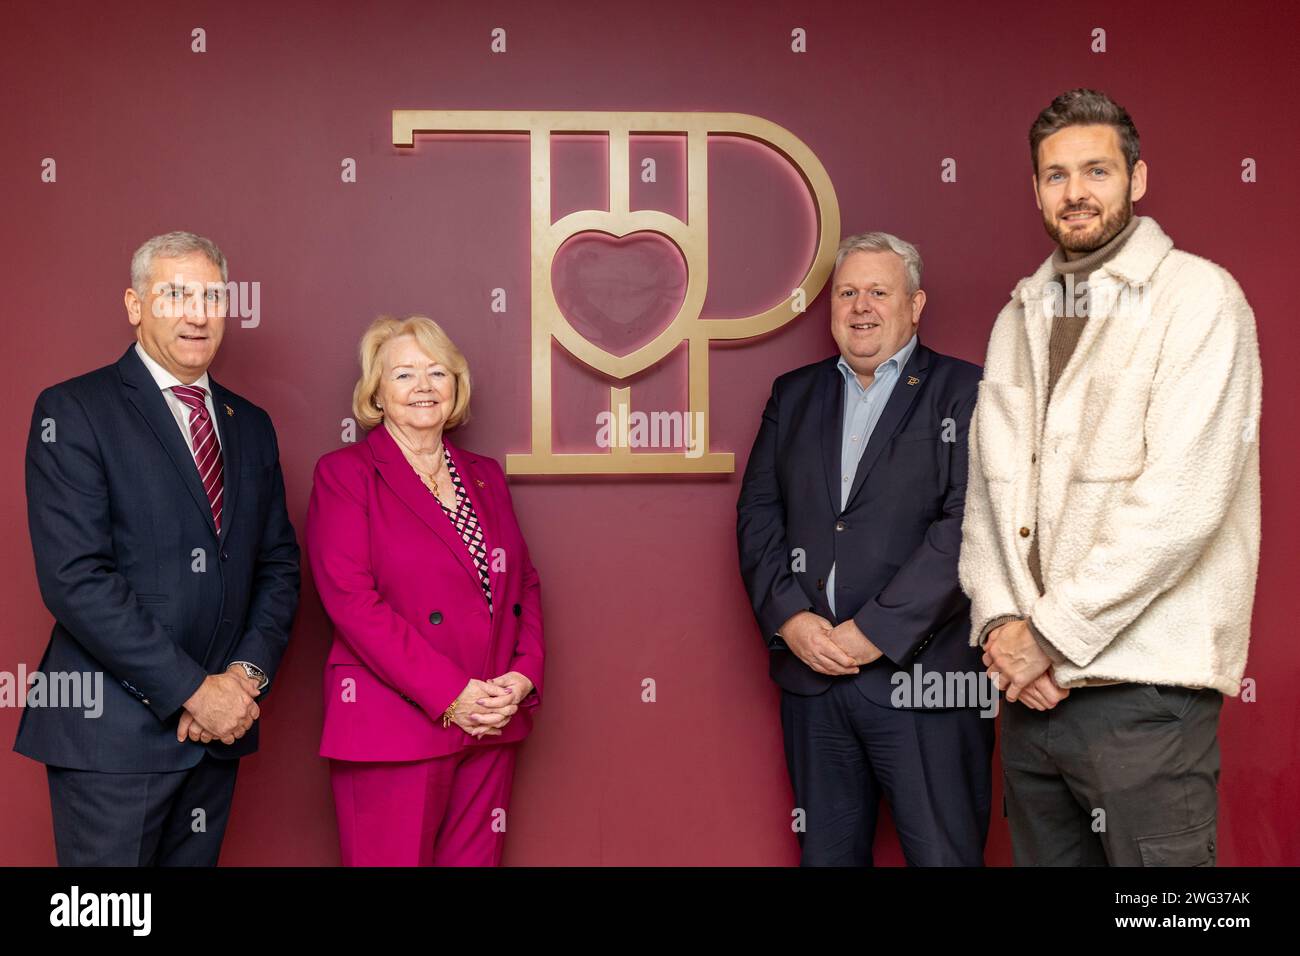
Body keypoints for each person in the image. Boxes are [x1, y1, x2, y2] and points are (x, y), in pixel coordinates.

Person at [960, 89, 1263, 866]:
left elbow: (1181, 505)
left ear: (1138, 177)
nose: (1076, 192)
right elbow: (989, 502)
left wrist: (1050, 637)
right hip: (1032, 701)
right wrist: (1001, 631)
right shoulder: (1016, 316)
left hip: (1146, 697)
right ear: (1035, 190)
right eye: (1056, 176)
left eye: (1097, 170)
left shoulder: (1199, 299)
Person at [15, 231, 301, 866]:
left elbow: (278, 566)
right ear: (134, 305)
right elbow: (75, 578)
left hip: (216, 737)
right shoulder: (73, 410)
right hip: (112, 741)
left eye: (211, 296)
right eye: (175, 295)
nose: (197, 313)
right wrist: (194, 691)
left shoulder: (248, 424)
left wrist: (241, 683)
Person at [737, 232, 992, 866]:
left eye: (879, 292)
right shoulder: (793, 395)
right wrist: (791, 619)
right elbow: (758, 515)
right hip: (813, 678)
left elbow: (968, 523)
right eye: (847, 292)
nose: (861, 307)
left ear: (916, 304)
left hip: (927, 683)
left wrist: (875, 629)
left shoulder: (966, 390)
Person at [307, 315, 544, 867]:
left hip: (490, 722)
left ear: (456, 387)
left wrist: (522, 675)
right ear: (376, 393)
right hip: (396, 726)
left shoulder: (483, 474)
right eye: (404, 374)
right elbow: (351, 601)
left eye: (438, 372)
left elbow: (523, 582)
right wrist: (451, 695)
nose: (423, 387)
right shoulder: (346, 474)